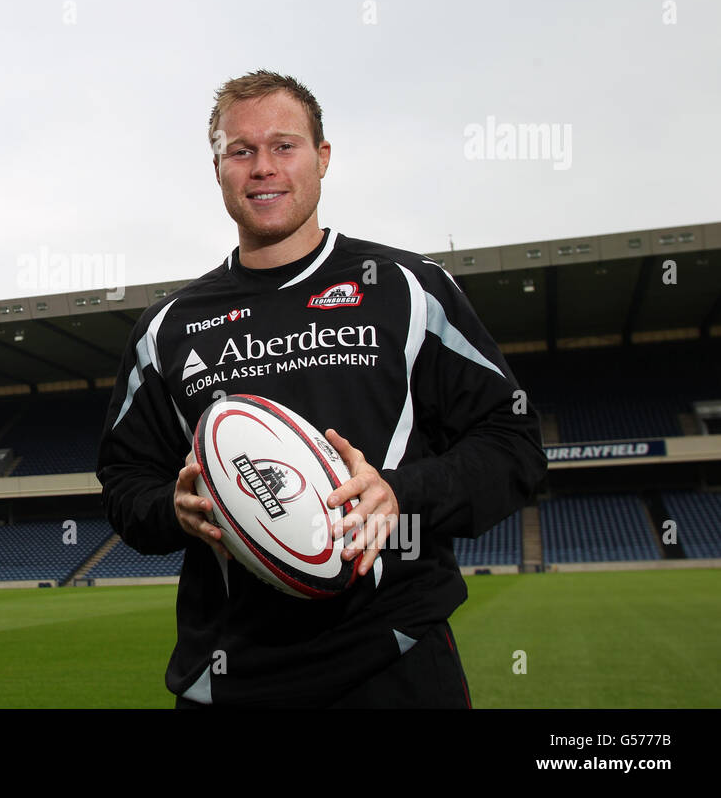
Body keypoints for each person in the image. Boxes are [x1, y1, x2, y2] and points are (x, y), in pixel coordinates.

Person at [96, 69, 547, 707]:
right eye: (241, 151)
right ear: (218, 168)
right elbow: (123, 480)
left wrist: (400, 493)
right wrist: (172, 510)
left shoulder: (407, 289)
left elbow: (513, 444)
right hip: (230, 681)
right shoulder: (166, 329)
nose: (263, 167)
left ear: (322, 157)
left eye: (284, 146)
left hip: (394, 667)